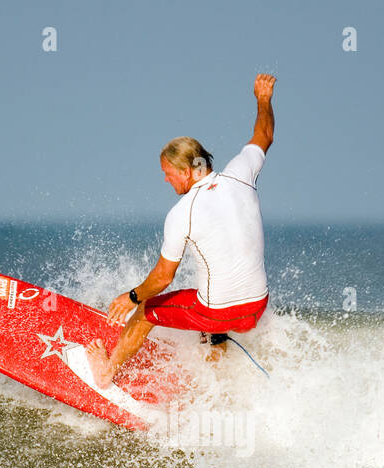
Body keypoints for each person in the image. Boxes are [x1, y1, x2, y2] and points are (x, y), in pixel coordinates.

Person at [86, 73, 276, 389]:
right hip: (257, 307)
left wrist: (132, 297)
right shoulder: (241, 173)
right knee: (210, 296)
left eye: (168, 173)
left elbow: (162, 278)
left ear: (187, 172)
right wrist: (263, 98)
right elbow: (265, 133)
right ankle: (219, 377)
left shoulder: (183, 212)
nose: (166, 180)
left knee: (148, 310)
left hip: (221, 313)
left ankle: (106, 374)